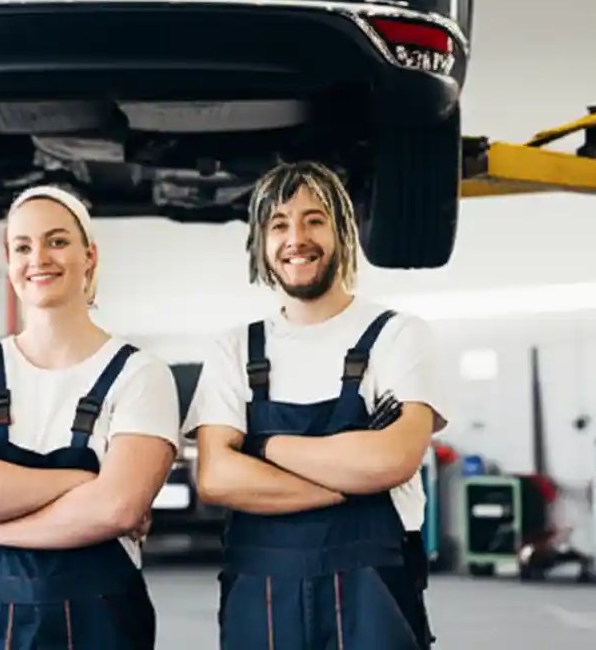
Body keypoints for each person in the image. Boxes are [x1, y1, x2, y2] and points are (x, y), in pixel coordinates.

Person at [185, 161, 447, 649]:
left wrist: (263, 447)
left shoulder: (399, 335)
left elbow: (392, 459)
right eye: (278, 224)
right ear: (261, 243)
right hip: (260, 595)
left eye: (314, 220)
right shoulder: (235, 348)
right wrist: (347, 479)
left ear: (343, 232)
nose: (296, 238)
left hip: (374, 591)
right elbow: (217, 476)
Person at [0, 185, 181, 649]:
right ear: (8, 262)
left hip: (104, 626)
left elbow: (118, 507)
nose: (39, 257)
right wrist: (85, 480)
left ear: (90, 256)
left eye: (58, 241)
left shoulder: (141, 374)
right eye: (23, 246)